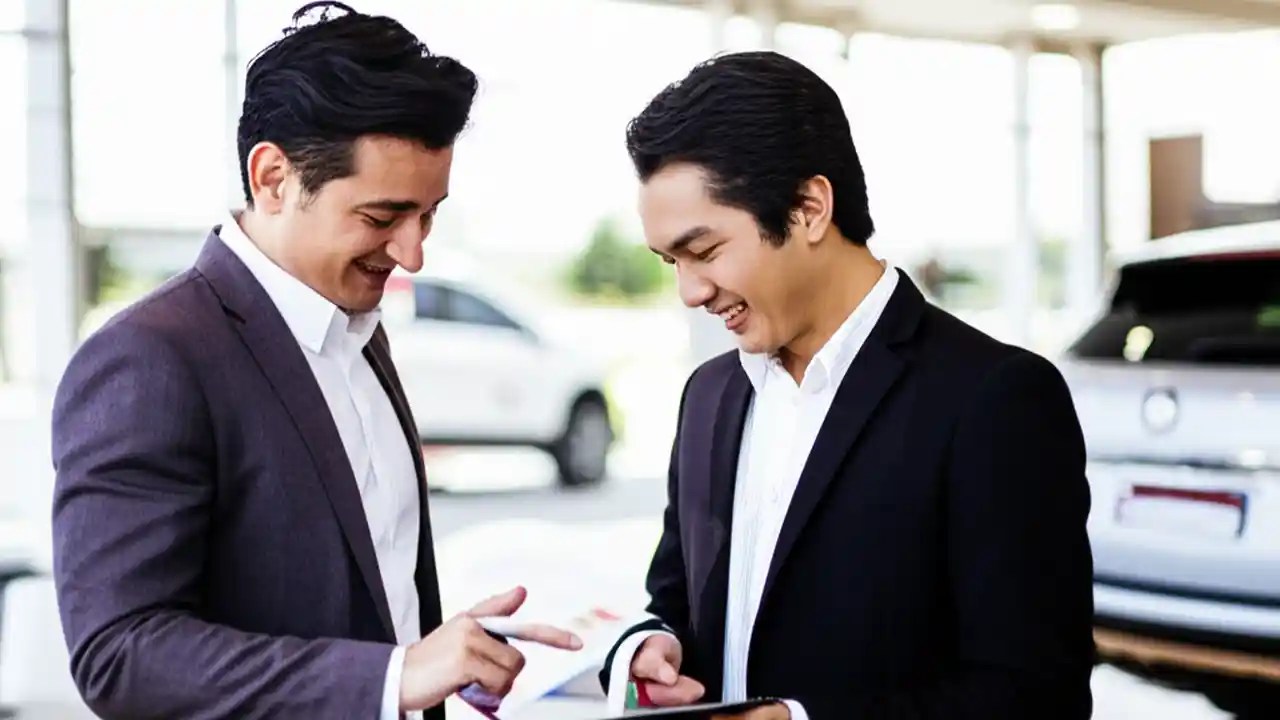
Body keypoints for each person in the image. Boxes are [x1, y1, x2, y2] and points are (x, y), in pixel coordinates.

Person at [50, 4, 579, 719]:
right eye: (381, 217)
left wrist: (440, 653)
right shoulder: (150, 358)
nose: (412, 254)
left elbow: (357, 598)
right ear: (272, 177)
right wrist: (391, 677)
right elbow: (122, 653)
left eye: (430, 214)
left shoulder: (358, 329)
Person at [598, 51, 1095, 719]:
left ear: (808, 207)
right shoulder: (709, 396)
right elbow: (677, 602)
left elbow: (1037, 695)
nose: (690, 292)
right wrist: (648, 645)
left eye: (706, 252)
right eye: (670, 262)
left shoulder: (995, 399)